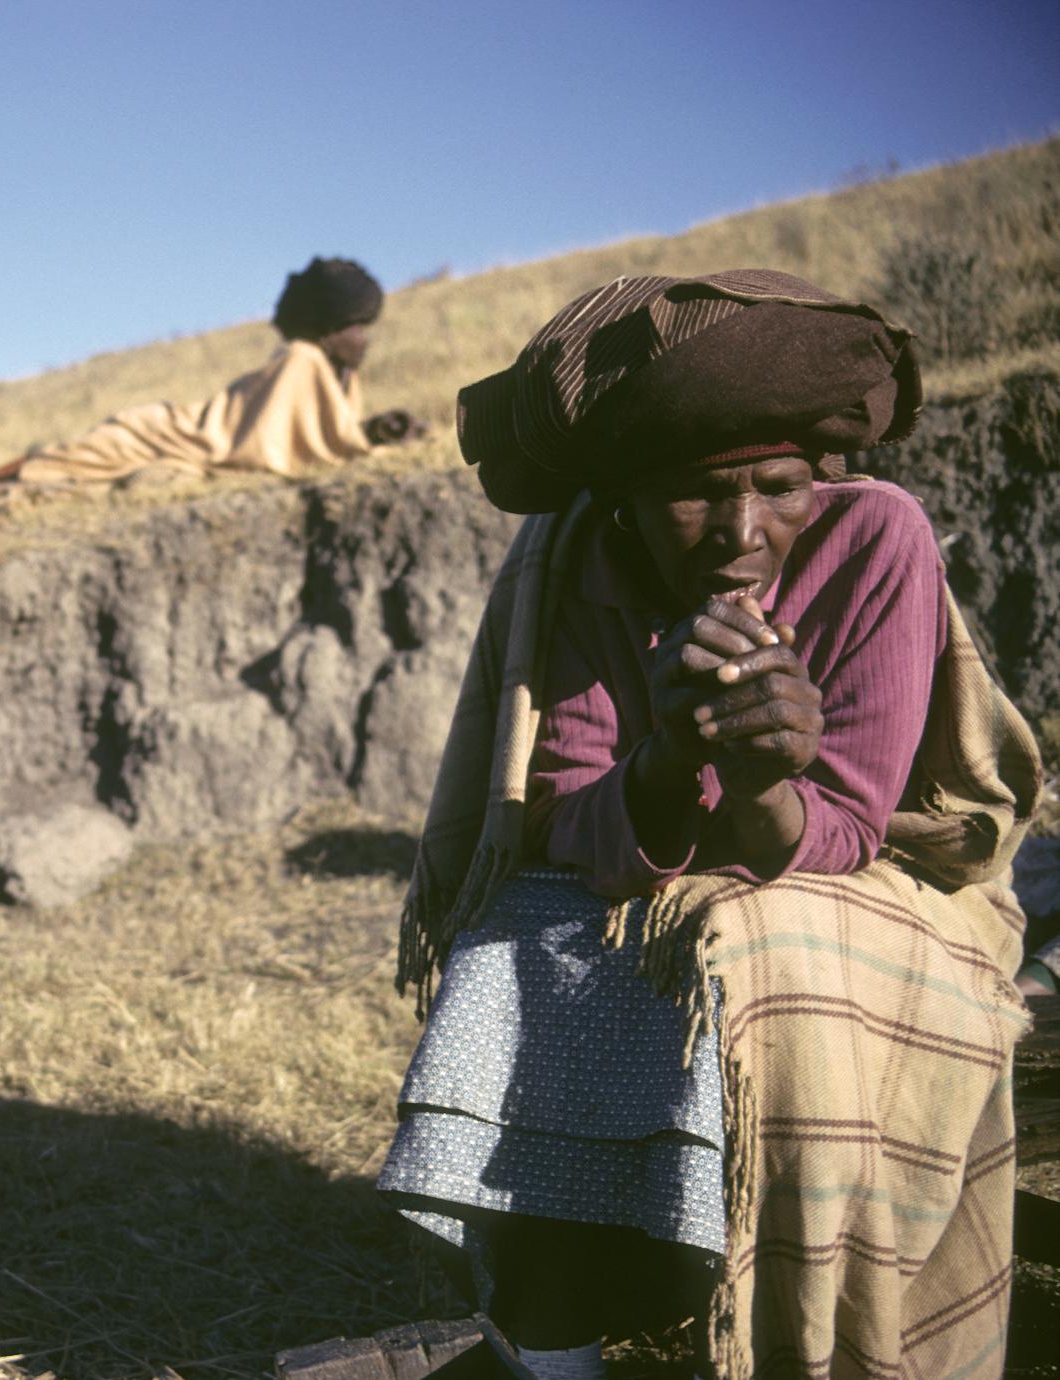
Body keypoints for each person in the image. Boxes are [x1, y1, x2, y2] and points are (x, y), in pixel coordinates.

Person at [373, 271, 1038, 1377]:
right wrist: (672, 760)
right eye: (691, 493)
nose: (738, 532)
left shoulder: (878, 541)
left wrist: (767, 776)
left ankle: (771, 1286)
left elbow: (845, 829)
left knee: (771, 961)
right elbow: (568, 823)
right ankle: (553, 1325)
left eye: (777, 487)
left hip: (870, 870)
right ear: (625, 497)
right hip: (643, 851)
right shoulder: (576, 556)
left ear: (822, 478)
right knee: (515, 947)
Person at [0, 257, 424, 548]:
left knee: (45, 486)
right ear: (329, 327)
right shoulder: (303, 361)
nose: (366, 339)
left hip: (166, 440)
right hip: (156, 436)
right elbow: (264, 447)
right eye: (358, 326)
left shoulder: (334, 373)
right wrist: (363, 443)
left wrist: (370, 430)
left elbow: (309, 434)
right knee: (43, 470)